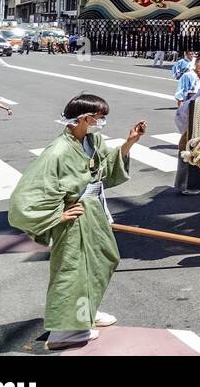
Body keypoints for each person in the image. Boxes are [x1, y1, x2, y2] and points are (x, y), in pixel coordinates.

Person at [8, 94, 146, 350]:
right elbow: (25, 195)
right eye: (100, 117)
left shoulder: (91, 139)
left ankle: (85, 313)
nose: (102, 122)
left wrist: (130, 142)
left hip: (93, 209)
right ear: (84, 118)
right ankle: (64, 332)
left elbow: (107, 164)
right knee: (73, 268)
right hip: (75, 215)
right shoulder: (57, 151)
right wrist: (54, 216)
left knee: (103, 259)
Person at [175, 59, 200, 195]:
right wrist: (181, 104)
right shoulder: (188, 75)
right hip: (190, 105)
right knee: (190, 148)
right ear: (195, 65)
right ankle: (187, 185)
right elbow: (180, 92)